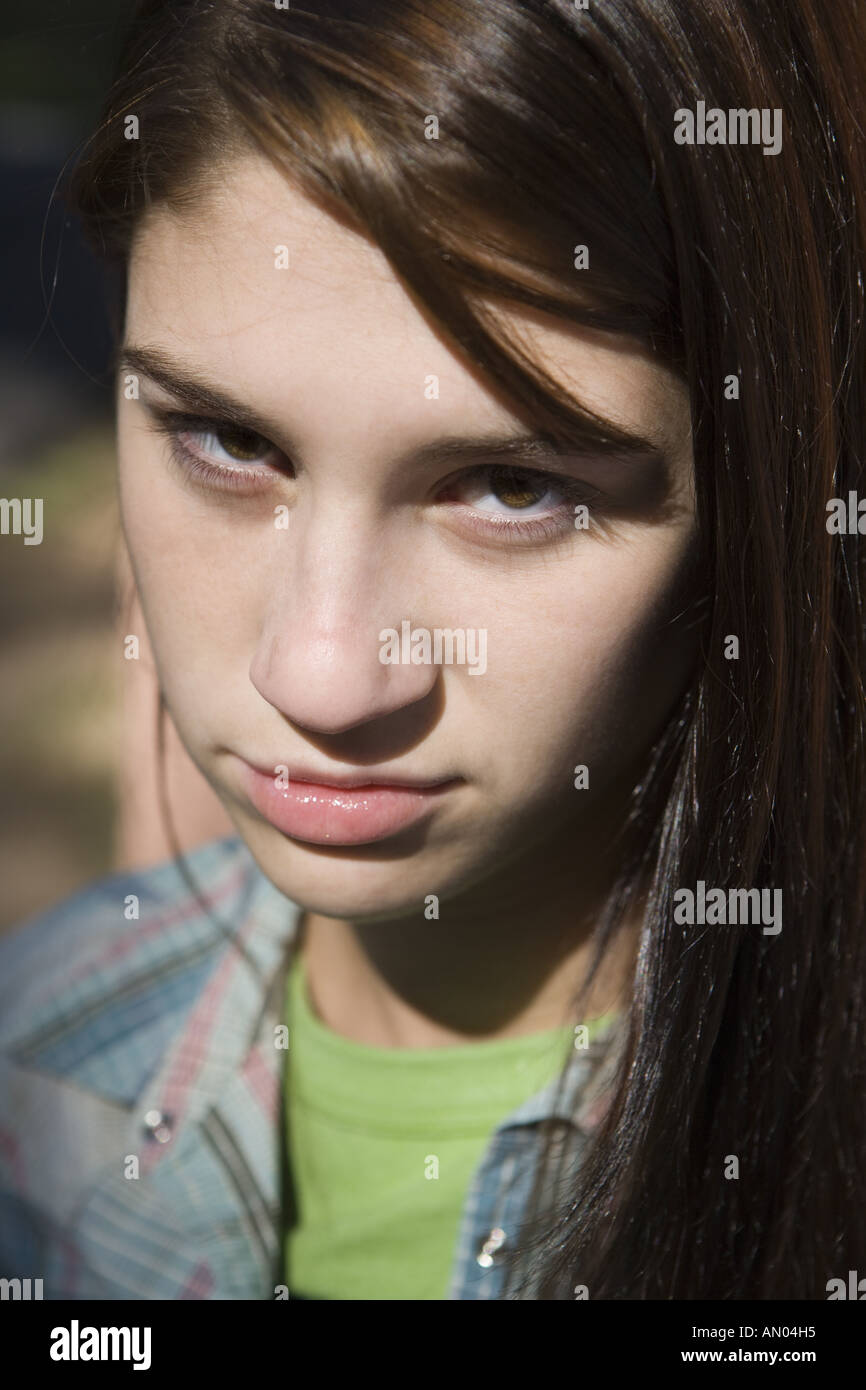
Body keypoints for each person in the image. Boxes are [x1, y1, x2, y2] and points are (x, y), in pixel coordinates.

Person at [1, 0, 864, 1301]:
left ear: (766, 492)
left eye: (513, 487)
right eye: (228, 441)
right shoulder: (40, 1052)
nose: (320, 674)